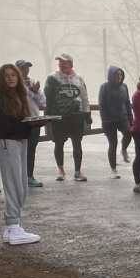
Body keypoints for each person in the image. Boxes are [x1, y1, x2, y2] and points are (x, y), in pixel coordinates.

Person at [0, 64, 44, 245]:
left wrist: (33, 123)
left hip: (21, 142)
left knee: (21, 186)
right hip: (8, 144)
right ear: (1, 79)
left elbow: (22, 122)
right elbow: (2, 129)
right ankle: (12, 225)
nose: (10, 78)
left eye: (13, 75)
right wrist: (28, 124)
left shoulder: (20, 96)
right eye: (6, 75)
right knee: (13, 185)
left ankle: (12, 226)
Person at [44, 53, 91, 182]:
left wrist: (87, 113)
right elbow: (48, 98)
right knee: (59, 143)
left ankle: (78, 171)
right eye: (60, 62)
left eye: (65, 62)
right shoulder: (52, 78)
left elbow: (84, 96)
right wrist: (47, 115)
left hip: (76, 115)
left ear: (71, 63)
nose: (62, 64)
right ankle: (61, 170)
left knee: (77, 143)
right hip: (59, 116)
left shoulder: (78, 78)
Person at [99, 66, 133, 178]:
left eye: (120, 74)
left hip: (123, 117)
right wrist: (104, 121)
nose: (119, 76)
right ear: (110, 75)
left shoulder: (124, 86)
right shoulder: (104, 87)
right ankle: (113, 170)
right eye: (116, 74)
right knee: (113, 144)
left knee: (129, 133)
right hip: (110, 120)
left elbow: (127, 103)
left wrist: (131, 119)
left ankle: (124, 149)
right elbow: (102, 105)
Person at [16, 60, 46, 188]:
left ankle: (29, 176)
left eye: (27, 68)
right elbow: (19, 97)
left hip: (34, 120)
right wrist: (31, 91)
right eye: (23, 68)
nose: (26, 71)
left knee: (31, 149)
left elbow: (42, 100)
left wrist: (35, 91)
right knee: (19, 150)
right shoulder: (13, 82)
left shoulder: (32, 81)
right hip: (20, 121)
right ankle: (19, 176)